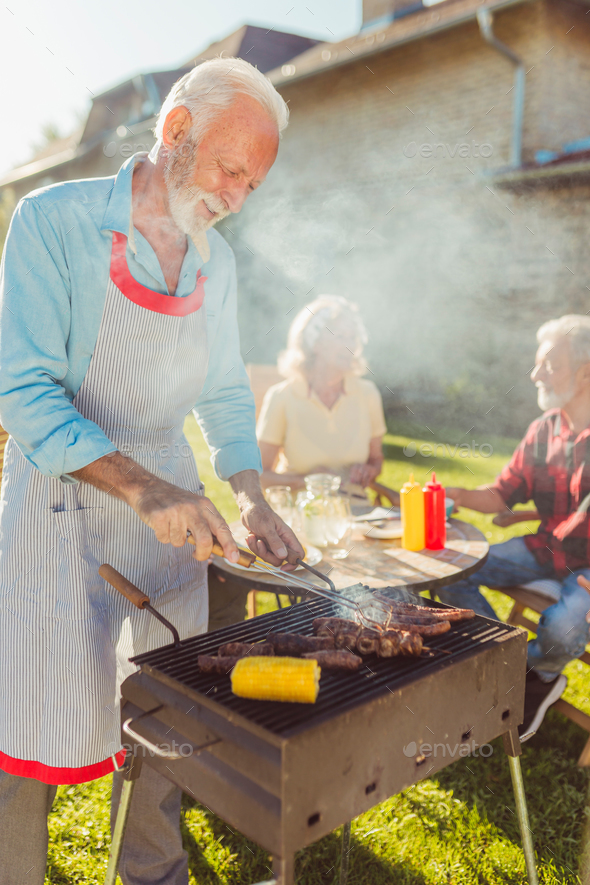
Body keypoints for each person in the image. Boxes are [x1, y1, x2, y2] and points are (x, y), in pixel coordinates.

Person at [0, 57, 304, 885]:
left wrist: (246, 493)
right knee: (34, 724)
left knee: (166, 714)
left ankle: (153, 873)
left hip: (170, 520)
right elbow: (23, 395)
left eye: (254, 183)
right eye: (229, 170)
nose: (237, 197)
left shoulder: (218, 264)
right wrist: (145, 487)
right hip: (58, 517)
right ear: (176, 133)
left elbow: (224, 391)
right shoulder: (52, 221)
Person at [441, 314, 590, 743]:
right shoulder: (544, 430)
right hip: (546, 548)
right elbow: (503, 493)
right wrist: (457, 493)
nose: (534, 374)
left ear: (584, 372)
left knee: (564, 628)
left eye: (549, 364)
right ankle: (502, 662)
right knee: (452, 567)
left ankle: (537, 675)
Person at [257, 295, 395, 500]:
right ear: (313, 343)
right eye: (340, 337)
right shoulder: (282, 397)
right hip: (299, 518)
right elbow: (259, 476)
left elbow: (376, 460)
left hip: (358, 514)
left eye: (352, 337)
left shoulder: (368, 394)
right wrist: (307, 480)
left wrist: (369, 470)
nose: (350, 345)